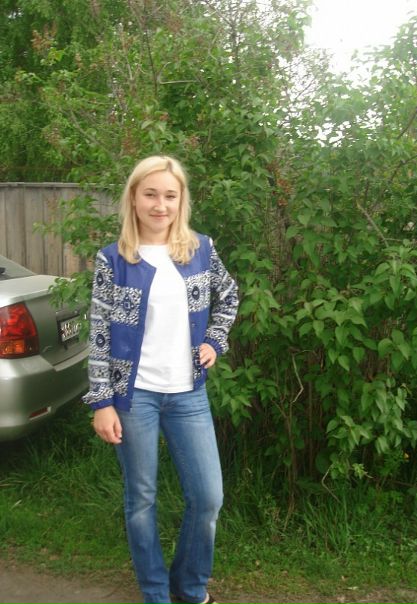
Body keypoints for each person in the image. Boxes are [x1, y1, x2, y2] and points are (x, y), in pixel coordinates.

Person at [82, 155, 239, 604]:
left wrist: (215, 340)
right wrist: (102, 403)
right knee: (142, 499)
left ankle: (189, 587)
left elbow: (229, 295)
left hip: (188, 394)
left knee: (208, 498)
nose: (160, 205)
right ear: (133, 198)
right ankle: (155, 593)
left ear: (181, 200)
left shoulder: (200, 249)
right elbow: (99, 332)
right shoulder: (114, 260)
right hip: (133, 398)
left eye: (170, 195)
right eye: (150, 194)